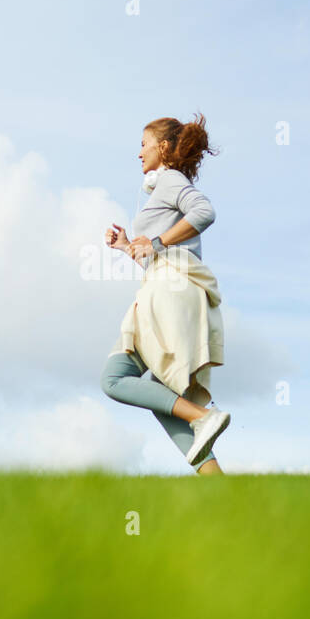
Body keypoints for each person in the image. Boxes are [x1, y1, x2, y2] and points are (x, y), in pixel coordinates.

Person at [101, 113, 230, 475]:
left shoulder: (171, 180)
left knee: (114, 378)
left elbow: (205, 211)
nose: (139, 154)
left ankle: (203, 415)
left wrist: (156, 241)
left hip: (171, 290)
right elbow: (157, 253)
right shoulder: (164, 187)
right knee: (164, 398)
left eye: (143, 145)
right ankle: (222, 489)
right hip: (170, 286)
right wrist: (128, 245)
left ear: (162, 147)